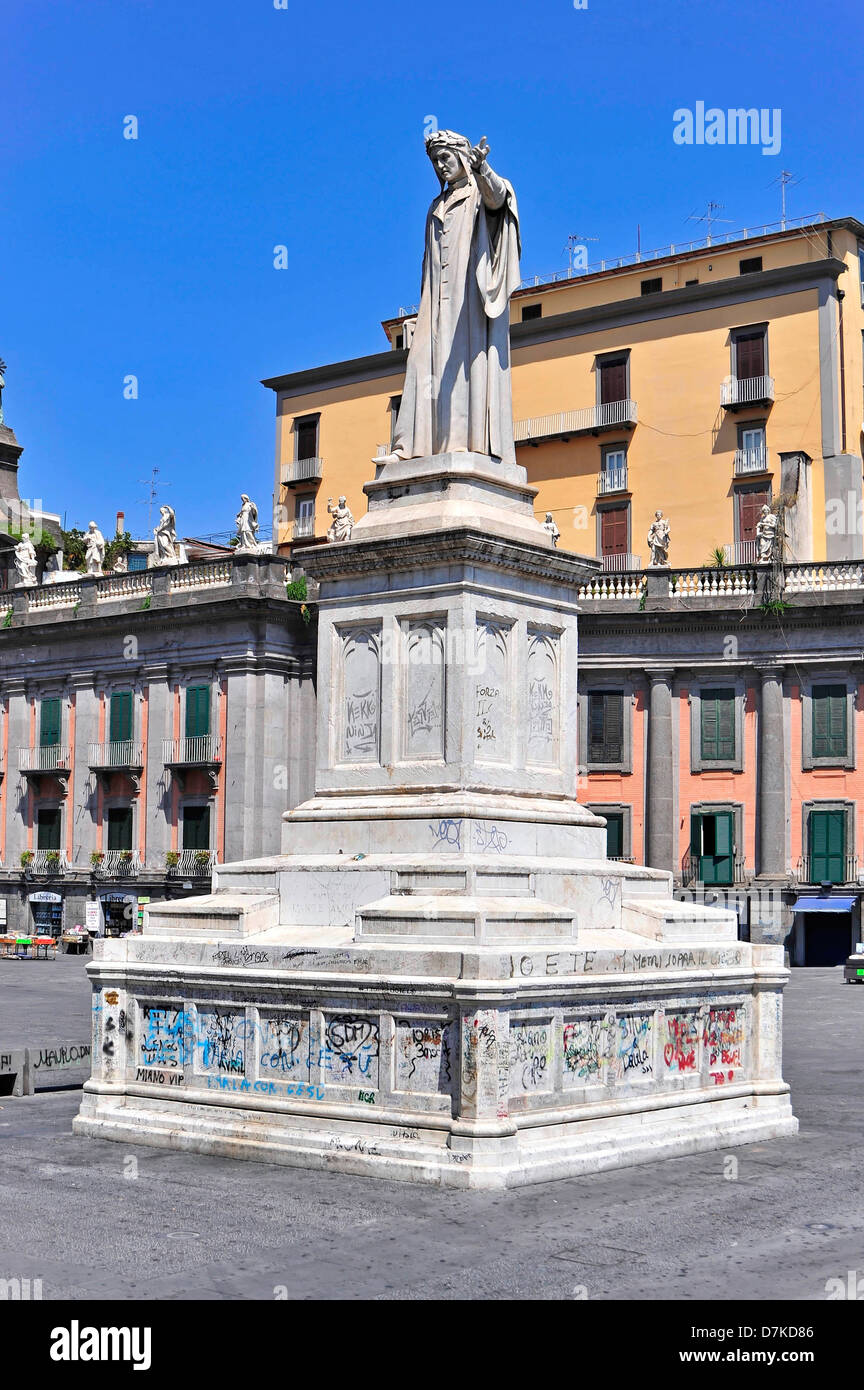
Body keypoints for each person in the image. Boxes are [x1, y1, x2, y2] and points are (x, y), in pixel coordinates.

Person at [376, 129, 521, 466]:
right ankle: (409, 447)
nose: (440, 165)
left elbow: (499, 199)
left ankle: (460, 442)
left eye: (445, 157)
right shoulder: (434, 207)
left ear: (461, 156)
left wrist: (483, 168)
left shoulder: (479, 192)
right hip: (434, 301)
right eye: (434, 161)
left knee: (461, 365)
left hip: (468, 299)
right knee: (420, 363)